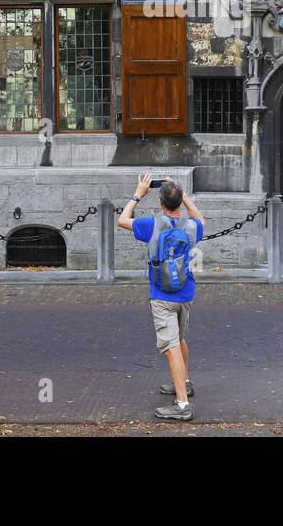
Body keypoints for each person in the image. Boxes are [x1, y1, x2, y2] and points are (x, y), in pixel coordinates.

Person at [118, 172, 205, 421]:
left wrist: (138, 194)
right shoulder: (191, 227)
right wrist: (184, 197)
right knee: (180, 339)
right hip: (186, 292)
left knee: (171, 346)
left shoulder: (151, 225)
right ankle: (184, 382)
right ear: (179, 202)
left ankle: (182, 405)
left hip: (161, 294)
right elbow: (201, 219)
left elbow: (122, 220)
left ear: (161, 203)